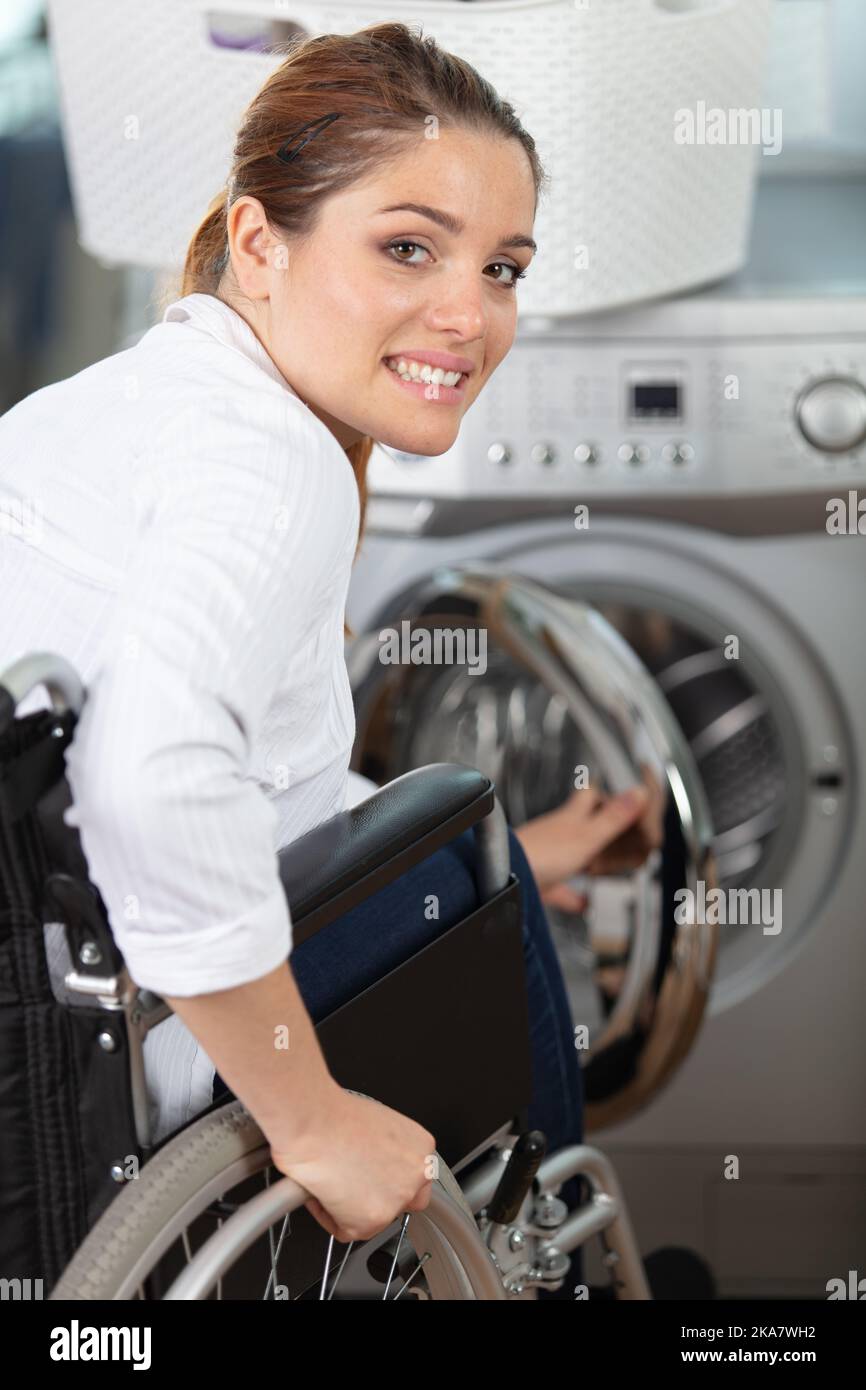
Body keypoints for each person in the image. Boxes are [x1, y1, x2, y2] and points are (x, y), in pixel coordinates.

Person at [0, 22, 661, 1279]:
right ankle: (549, 1269)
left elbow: (222, 766)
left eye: (504, 267)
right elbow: (152, 777)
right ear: (259, 243)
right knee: (466, 841)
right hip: (117, 1043)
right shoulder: (276, 467)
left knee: (477, 842)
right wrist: (314, 1121)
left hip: (48, 984)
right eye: (407, 246)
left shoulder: (121, 403)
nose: (468, 314)